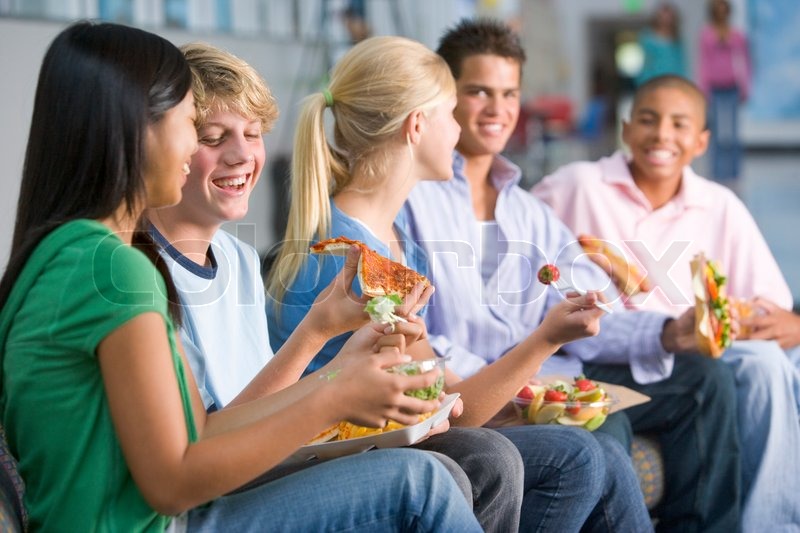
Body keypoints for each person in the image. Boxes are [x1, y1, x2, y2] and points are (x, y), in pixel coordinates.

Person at [0, 21, 481, 532]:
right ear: (132, 129)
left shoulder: (68, 253)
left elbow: (200, 434)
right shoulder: (116, 270)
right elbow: (173, 483)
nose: (193, 151)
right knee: (421, 483)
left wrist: (338, 371)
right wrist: (334, 397)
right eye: (195, 128)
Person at [266, 33, 653, 532]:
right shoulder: (356, 259)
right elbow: (451, 410)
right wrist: (545, 340)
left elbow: (450, 394)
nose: (458, 130)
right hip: (341, 455)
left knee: (592, 451)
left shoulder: (395, 236)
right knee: (572, 457)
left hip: (394, 434)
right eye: (451, 113)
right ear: (417, 126)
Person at [146, 41, 524, 530]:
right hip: (207, 497)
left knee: (486, 458)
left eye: (254, 133)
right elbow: (204, 449)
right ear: (169, 146)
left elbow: (256, 406)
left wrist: (333, 350)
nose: (241, 154)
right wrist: (335, 382)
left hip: (255, 460)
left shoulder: (237, 257)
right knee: (433, 478)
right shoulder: (141, 277)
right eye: (214, 137)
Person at [401, 19, 743, 532]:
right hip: (480, 389)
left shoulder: (526, 209)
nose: (498, 109)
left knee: (706, 379)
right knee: (608, 428)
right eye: (479, 92)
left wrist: (669, 331)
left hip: (543, 375)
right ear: (445, 98)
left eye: (509, 93)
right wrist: (520, 375)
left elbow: (585, 305)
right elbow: (418, 338)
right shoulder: (412, 203)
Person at [533, 74, 800, 530]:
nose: (661, 135)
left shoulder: (720, 205)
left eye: (679, 125)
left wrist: (789, 323)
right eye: (649, 120)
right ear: (626, 129)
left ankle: (770, 525)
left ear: (700, 141)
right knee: (713, 376)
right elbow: (521, 239)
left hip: (692, 351)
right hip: (602, 352)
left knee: (767, 364)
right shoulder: (577, 185)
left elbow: (770, 305)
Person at [698, 0, 751, 182]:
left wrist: (745, 87)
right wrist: (703, 89)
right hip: (714, 88)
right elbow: (704, 63)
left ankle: (734, 172)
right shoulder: (707, 35)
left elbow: (744, 63)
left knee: (734, 134)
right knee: (716, 133)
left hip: (733, 87)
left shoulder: (737, 36)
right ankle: (716, 172)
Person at [635, 2, 687, 87]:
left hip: (674, 84)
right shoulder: (647, 38)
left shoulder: (676, 39)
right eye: (663, 15)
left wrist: (683, 83)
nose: (666, 19)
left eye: (669, 16)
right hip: (654, 84)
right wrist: (644, 84)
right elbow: (644, 65)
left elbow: (681, 64)